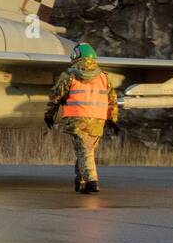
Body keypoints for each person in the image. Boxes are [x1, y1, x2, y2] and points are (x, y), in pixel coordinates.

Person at [45, 42, 120, 194]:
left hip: (77, 118)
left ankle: (92, 181)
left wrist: (49, 114)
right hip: (98, 119)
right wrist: (113, 119)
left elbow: (55, 96)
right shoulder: (104, 78)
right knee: (85, 150)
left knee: (84, 151)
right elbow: (113, 100)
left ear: (78, 56)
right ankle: (81, 181)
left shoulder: (69, 75)